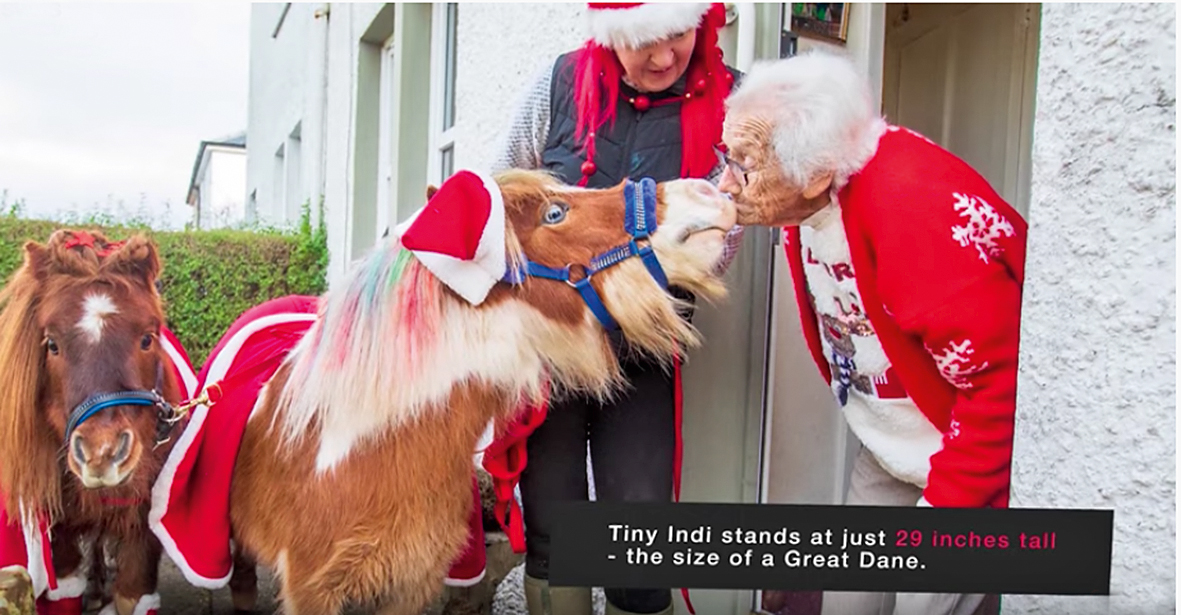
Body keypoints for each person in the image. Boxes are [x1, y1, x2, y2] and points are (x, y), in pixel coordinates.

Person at [717, 51, 1026, 615]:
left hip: (958, 455)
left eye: (745, 162)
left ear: (814, 176)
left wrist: (952, 505)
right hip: (890, 444)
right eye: (728, 154)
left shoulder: (912, 213)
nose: (726, 180)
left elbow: (1001, 388)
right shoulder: (813, 196)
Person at [485, 3, 743, 615]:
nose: (662, 57)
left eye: (677, 35)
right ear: (612, 37)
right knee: (556, 524)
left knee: (640, 533)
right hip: (552, 347)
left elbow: (722, 239)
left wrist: (663, 267)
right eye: (643, 43)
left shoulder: (731, 103)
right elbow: (503, 190)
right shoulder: (559, 84)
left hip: (645, 344)